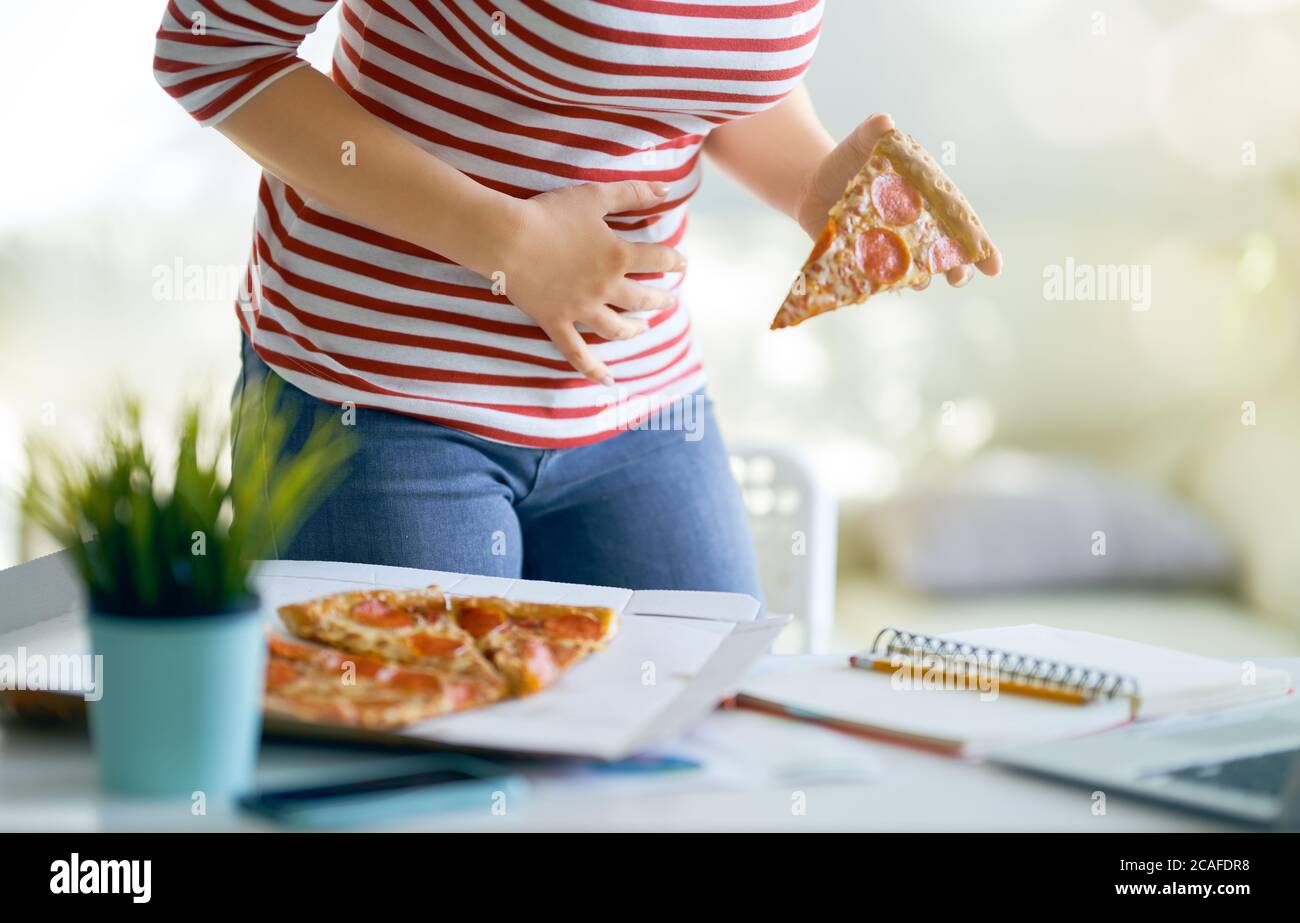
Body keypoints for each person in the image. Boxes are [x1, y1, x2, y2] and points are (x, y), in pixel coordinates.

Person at [152, 1, 999, 595]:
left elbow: (692, 64)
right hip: (378, 402)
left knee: (701, 767)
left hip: (640, 404)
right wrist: (504, 241)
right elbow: (213, 47)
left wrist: (814, 183)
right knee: (420, 785)